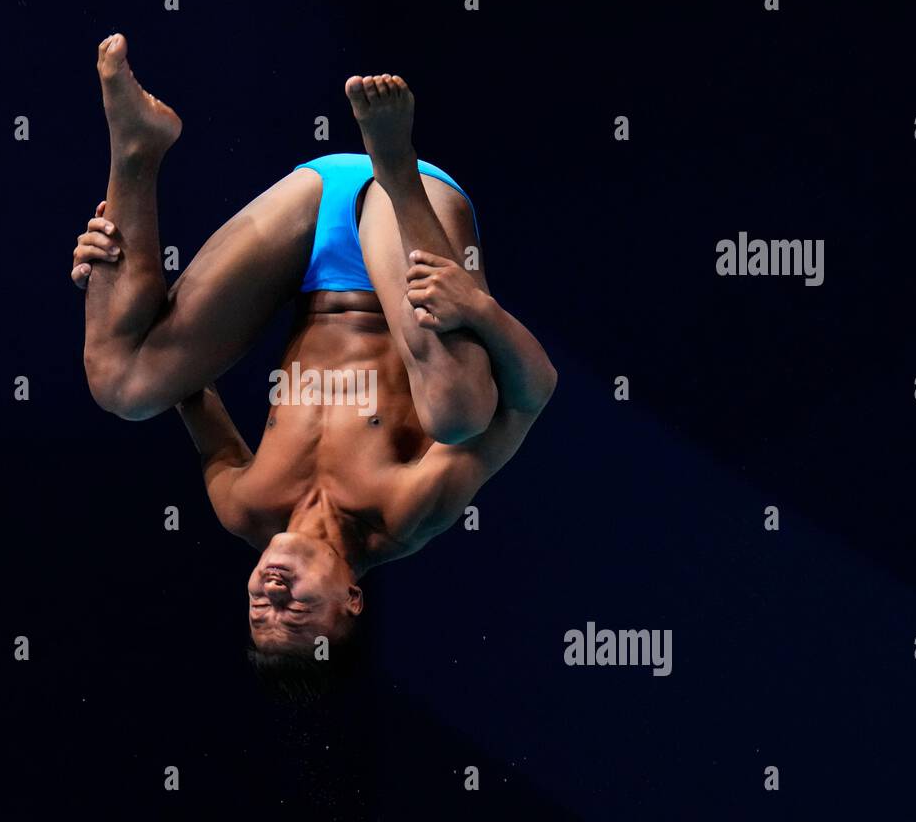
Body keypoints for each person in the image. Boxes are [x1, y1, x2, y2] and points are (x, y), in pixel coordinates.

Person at [70, 34, 557, 683]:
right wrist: (479, 307)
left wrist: (112, 283)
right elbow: (533, 394)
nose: (270, 596)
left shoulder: (244, 507)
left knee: (124, 389)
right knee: (461, 412)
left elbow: (185, 385)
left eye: (256, 613)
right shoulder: (407, 512)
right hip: (406, 224)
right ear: (351, 600)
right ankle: (396, 160)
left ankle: (137, 149)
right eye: (295, 615)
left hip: (308, 221)